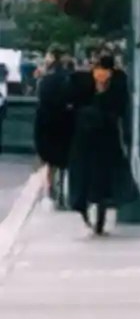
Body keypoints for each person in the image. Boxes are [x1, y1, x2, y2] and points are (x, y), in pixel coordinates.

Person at [67, 55, 136, 235]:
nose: (99, 75)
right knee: (93, 181)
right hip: (95, 141)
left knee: (95, 182)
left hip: (97, 141)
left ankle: (94, 219)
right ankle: (92, 218)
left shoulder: (108, 88)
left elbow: (122, 114)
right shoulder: (89, 87)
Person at [34, 48, 76, 205]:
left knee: (50, 162)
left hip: (48, 124)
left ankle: (50, 191)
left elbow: (41, 105)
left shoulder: (45, 81)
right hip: (65, 123)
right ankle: (63, 192)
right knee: (65, 161)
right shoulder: (69, 79)